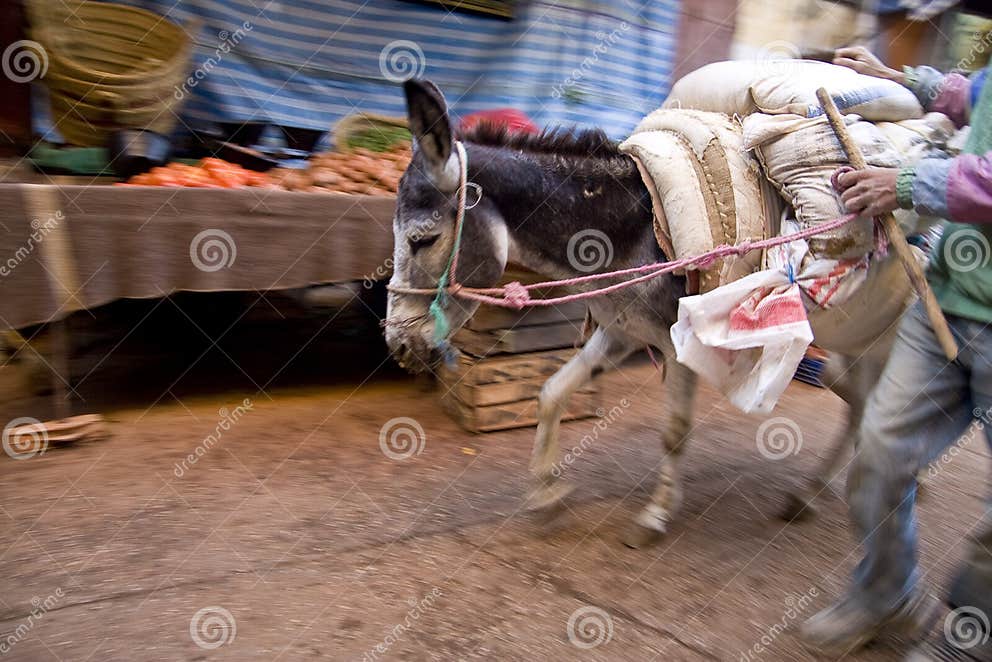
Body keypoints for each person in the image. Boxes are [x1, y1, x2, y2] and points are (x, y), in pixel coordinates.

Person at [799, 47, 992, 661]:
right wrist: (900, 78)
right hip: (951, 298)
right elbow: (972, 96)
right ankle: (887, 596)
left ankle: (972, 635)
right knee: (880, 450)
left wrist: (906, 182)